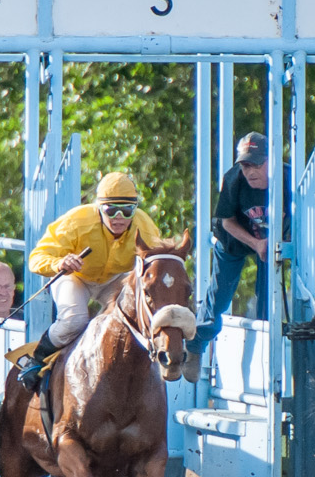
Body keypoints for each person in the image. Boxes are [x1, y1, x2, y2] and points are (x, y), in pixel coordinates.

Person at [17, 172, 163, 390]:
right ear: (98, 208)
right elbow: (36, 258)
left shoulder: (145, 226)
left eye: (127, 210)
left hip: (114, 280)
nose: (119, 217)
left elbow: (158, 264)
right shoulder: (77, 221)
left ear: (136, 210)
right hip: (76, 277)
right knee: (74, 321)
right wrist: (59, 263)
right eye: (111, 210)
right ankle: (36, 360)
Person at [184, 132, 290, 382]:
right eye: (245, 164)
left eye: (256, 164)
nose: (250, 171)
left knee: (268, 297)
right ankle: (196, 347)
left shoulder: (287, 178)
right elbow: (227, 221)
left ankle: (268, 356)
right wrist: (255, 242)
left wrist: (273, 244)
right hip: (235, 239)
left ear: (270, 162)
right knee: (219, 297)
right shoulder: (234, 179)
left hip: (271, 241)